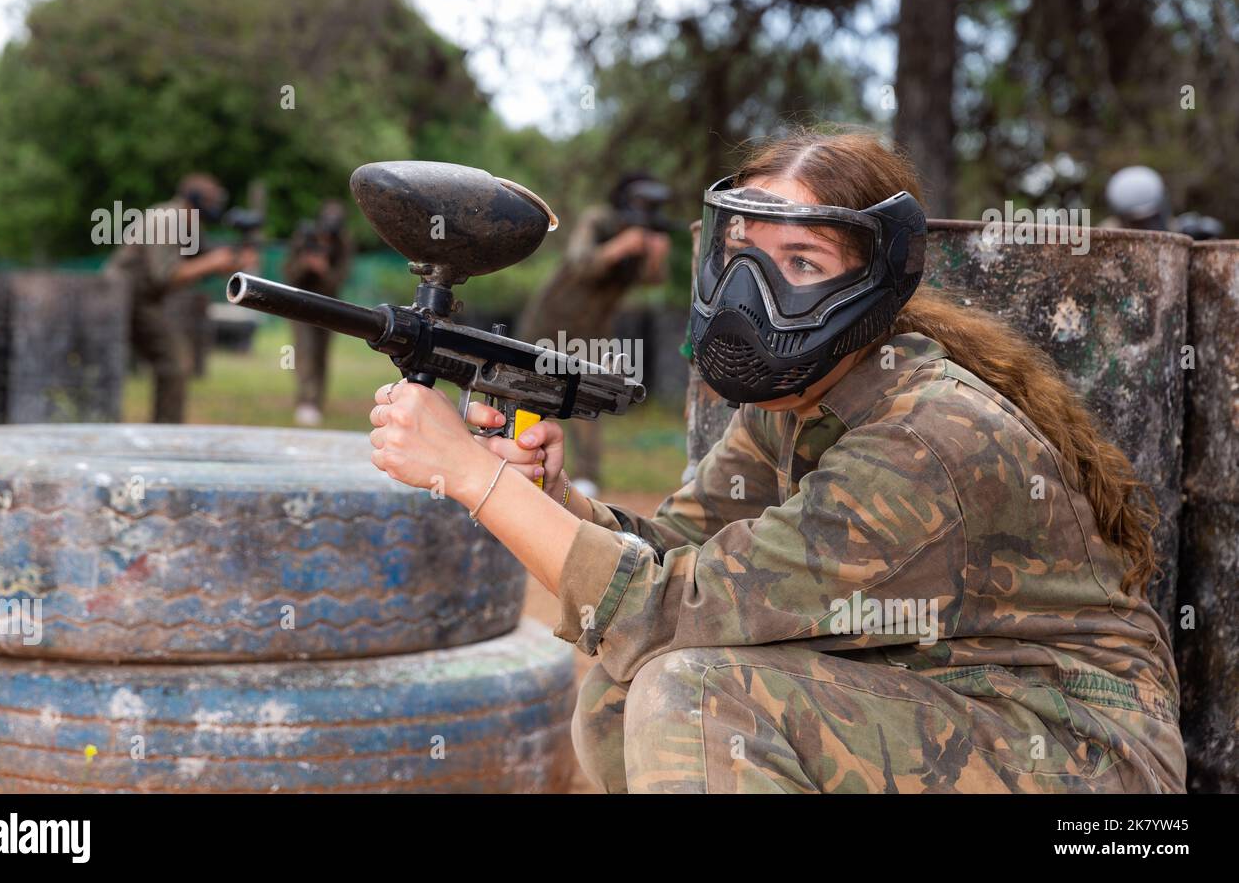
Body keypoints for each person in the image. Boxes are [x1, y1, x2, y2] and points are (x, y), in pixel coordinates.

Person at [366, 127, 1186, 794]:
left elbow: (659, 608)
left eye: (801, 264)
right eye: (742, 254)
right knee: (622, 695)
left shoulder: (923, 436)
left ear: (872, 284)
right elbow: (672, 558)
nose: (752, 292)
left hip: (1085, 761)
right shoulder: (797, 403)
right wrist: (544, 492)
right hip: (943, 698)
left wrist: (477, 479)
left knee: (690, 695)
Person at [516, 173, 672, 495]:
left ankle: (587, 478)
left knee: (586, 397)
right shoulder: (599, 220)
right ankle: (521, 459)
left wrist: (655, 256)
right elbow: (580, 262)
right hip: (551, 319)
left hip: (592, 330)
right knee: (529, 391)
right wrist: (619, 247)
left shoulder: (648, 235)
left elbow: (652, 281)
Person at [105, 173, 257, 423]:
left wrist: (237, 260)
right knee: (173, 363)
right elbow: (166, 275)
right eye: (211, 200)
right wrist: (212, 262)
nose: (216, 207)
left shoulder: (189, 223)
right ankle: (166, 430)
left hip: (141, 300)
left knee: (173, 363)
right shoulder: (168, 218)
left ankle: (165, 428)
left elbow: (206, 260)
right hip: (122, 298)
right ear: (195, 199)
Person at [284, 200, 353, 426]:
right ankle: (305, 401)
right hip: (300, 305)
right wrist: (306, 264)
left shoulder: (343, 244)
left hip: (328, 305)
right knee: (305, 353)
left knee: (321, 356)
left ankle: (316, 403)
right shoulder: (304, 237)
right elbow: (289, 274)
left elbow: (339, 280)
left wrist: (323, 270)